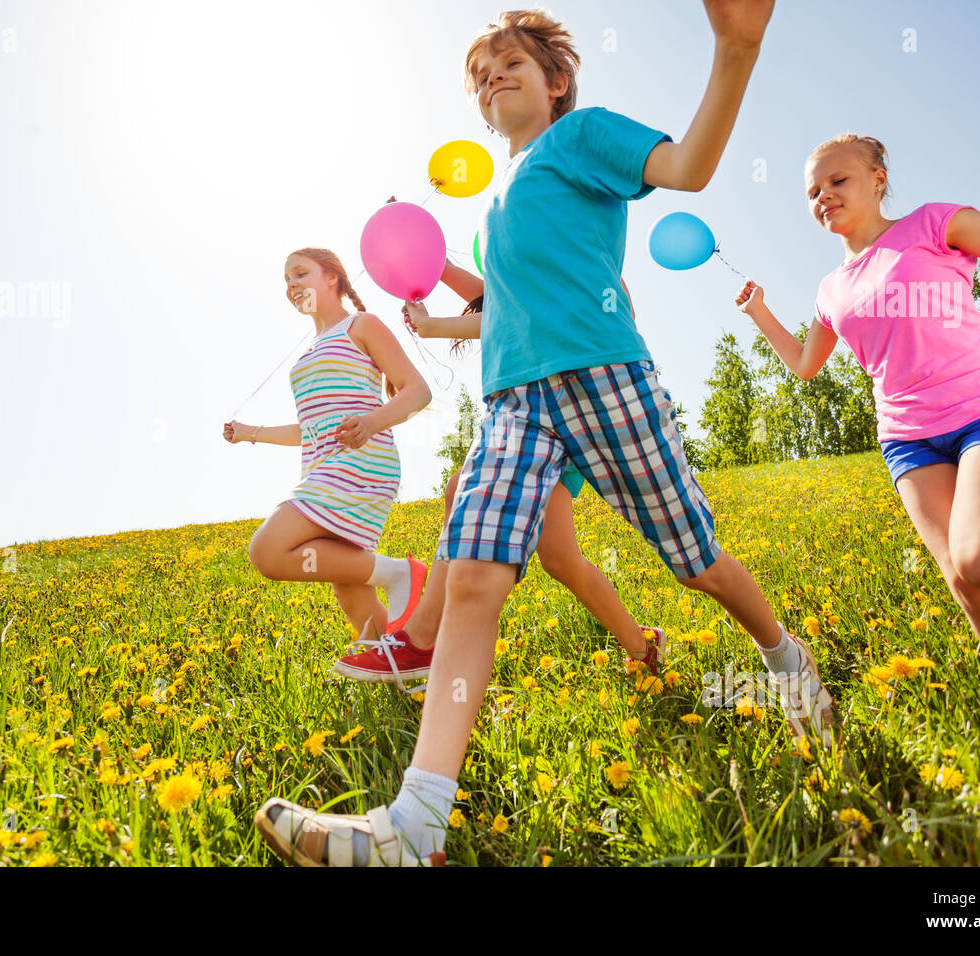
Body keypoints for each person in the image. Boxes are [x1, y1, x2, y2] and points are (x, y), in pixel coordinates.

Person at [256, 2, 835, 868]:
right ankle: (416, 825)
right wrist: (435, 298)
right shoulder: (495, 208)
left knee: (693, 560)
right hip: (515, 406)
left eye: (510, 66)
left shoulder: (583, 139)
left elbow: (690, 167)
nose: (493, 80)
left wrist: (735, 52)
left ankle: (784, 657)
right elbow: (500, 312)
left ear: (556, 81)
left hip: (605, 379)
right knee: (476, 575)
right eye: (481, 79)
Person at [733, 109, 980, 696]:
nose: (824, 197)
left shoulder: (935, 224)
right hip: (908, 439)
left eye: (838, 181)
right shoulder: (832, 288)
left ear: (878, 178)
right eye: (813, 191)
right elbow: (806, 365)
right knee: (969, 585)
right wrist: (760, 313)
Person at [333, 273, 667, 689]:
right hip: (537, 411)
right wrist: (435, 267)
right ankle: (643, 647)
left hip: (573, 404)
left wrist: (435, 324)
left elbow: (533, 311)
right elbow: (502, 296)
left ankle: (422, 640)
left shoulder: (582, 250)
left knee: (462, 489)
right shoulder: (523, 249)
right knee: (560, 559)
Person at [224, 247, 430, 646]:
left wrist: (372, 422)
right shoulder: (306, 356)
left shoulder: (361, 325)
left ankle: (399, 573)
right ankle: (400, 664)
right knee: (348, 584)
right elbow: (311, 430)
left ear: (332, 277)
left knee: (267, 551)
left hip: (360, 464)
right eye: (287, 280)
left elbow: (417, 391)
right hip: (323, 467)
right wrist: (250, 432)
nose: (292, 285)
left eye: (300, 274)